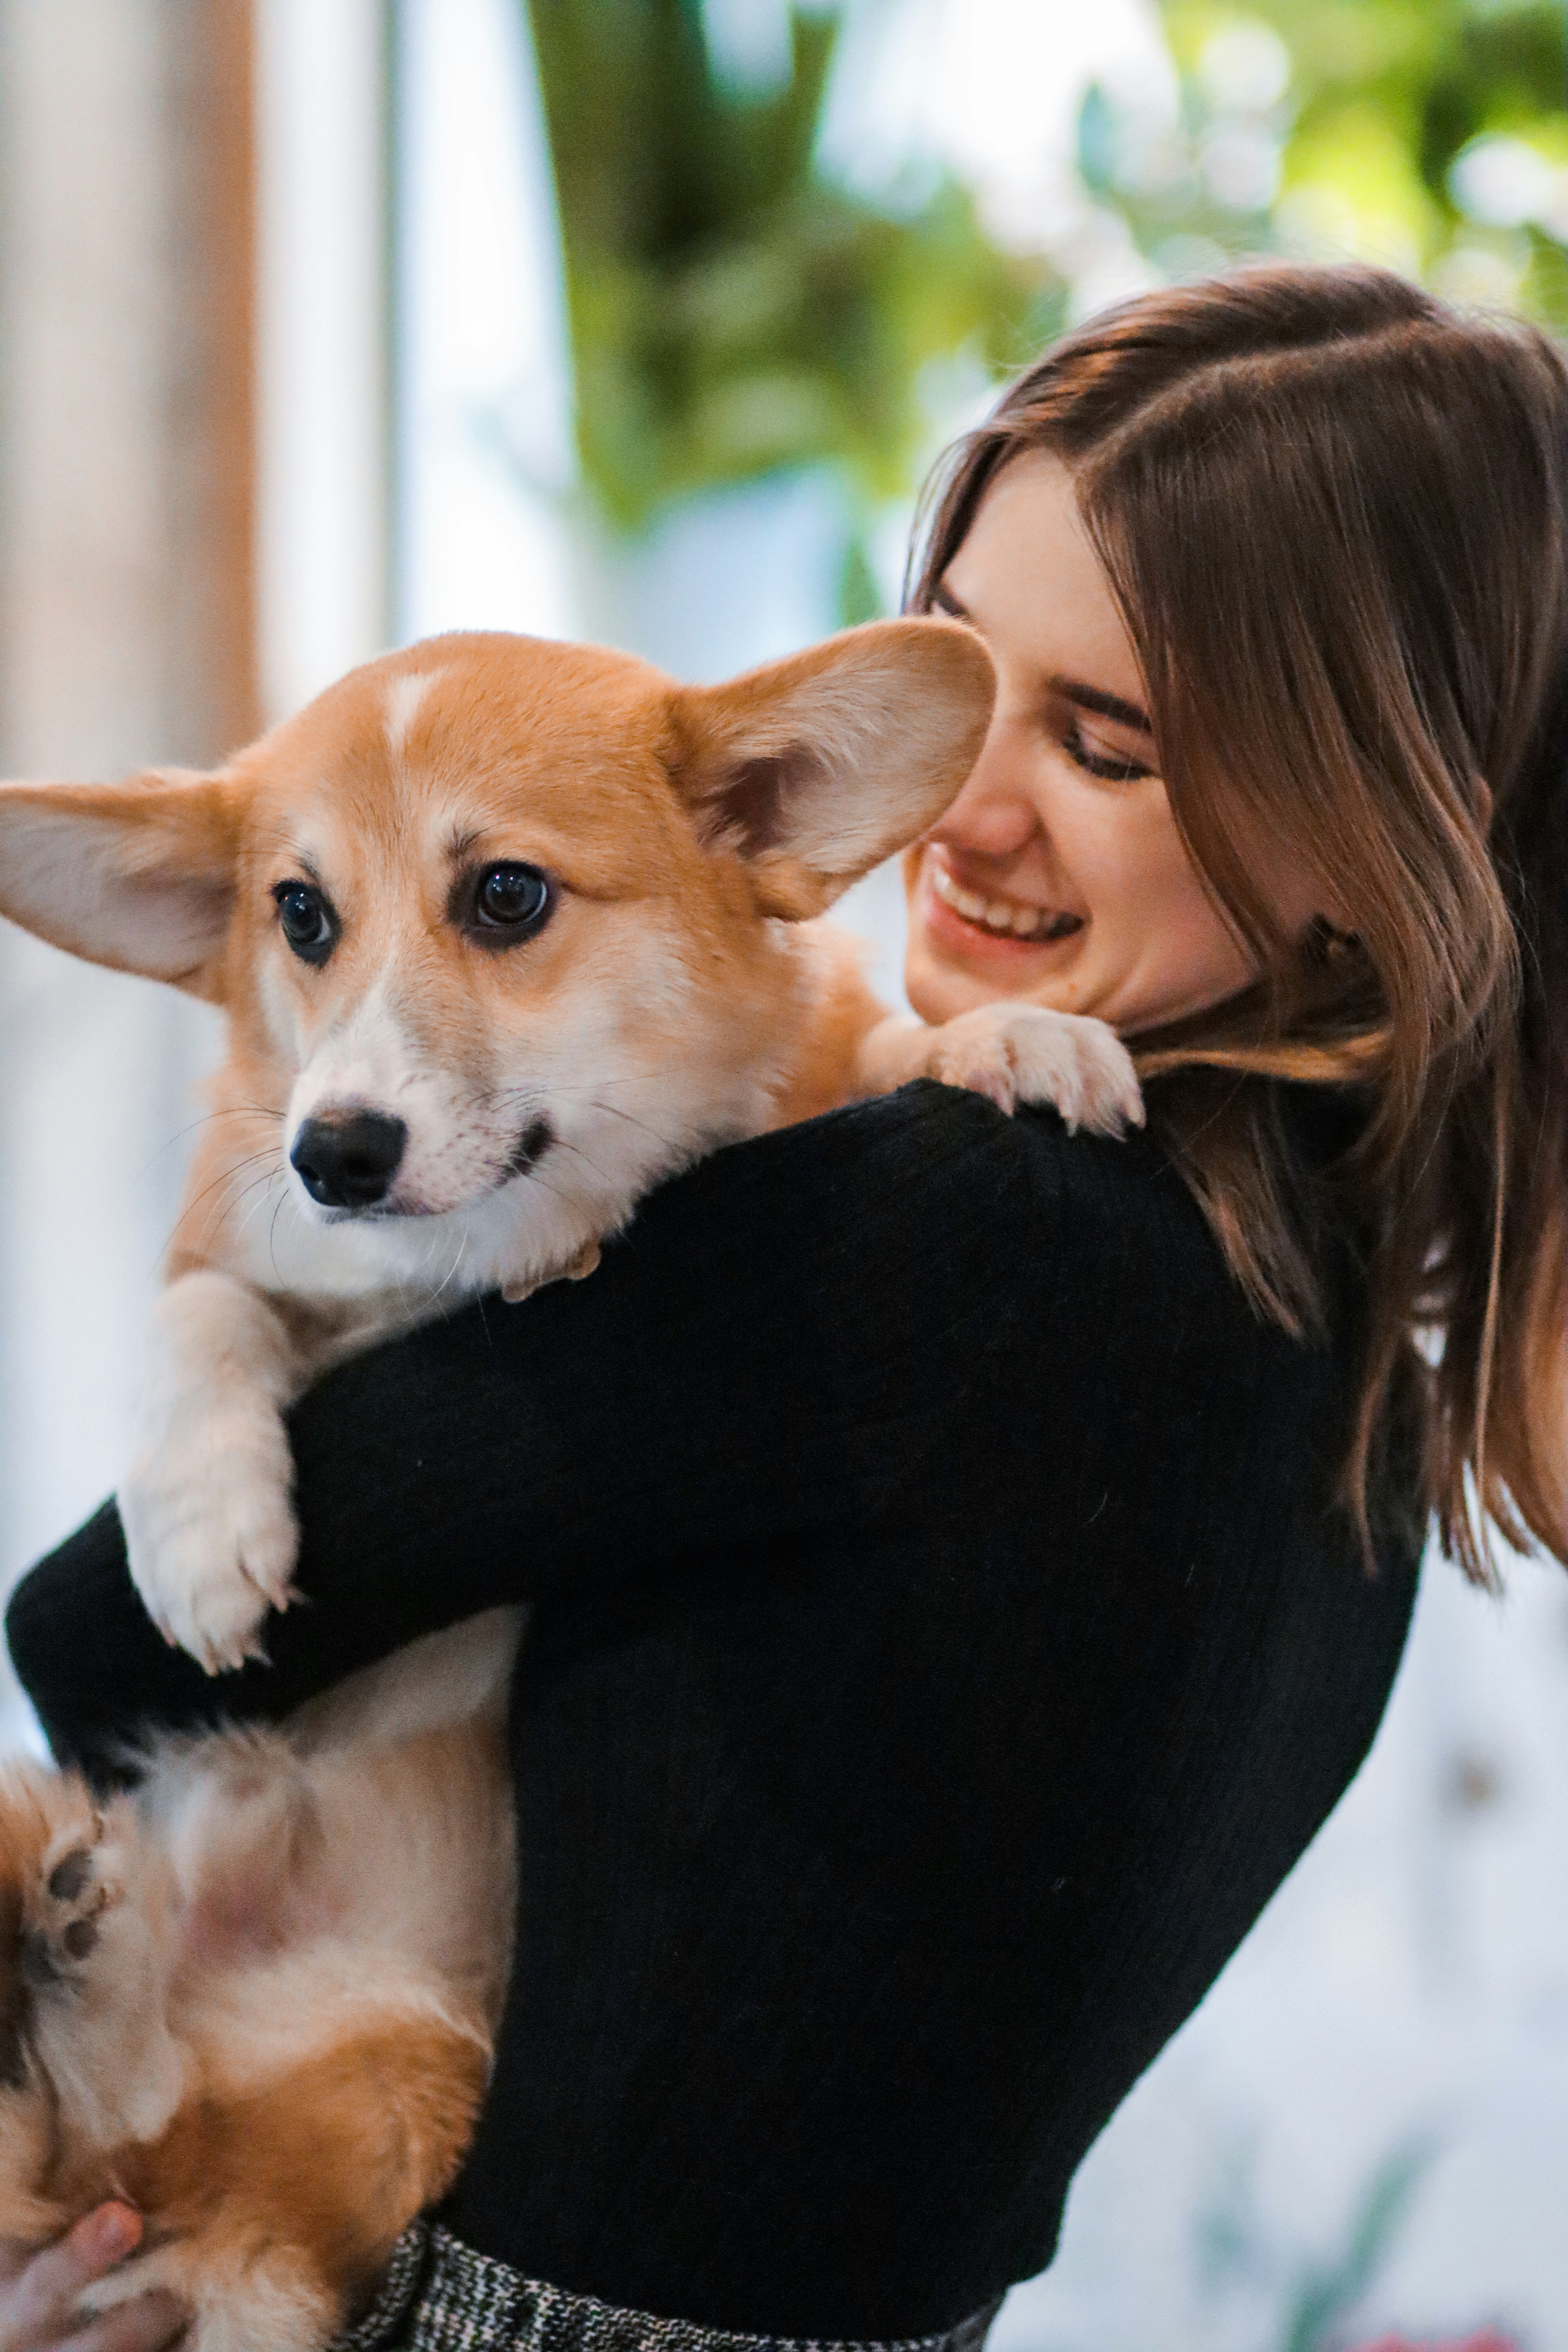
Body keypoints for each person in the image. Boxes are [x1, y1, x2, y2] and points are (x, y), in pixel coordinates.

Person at [5, 262, 1565, 2352]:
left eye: (1105, 747)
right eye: (962, 678)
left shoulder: (975, 1234)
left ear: (1375, 836)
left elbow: (95, 1636)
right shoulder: (1357, 1348)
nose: (960, 806)